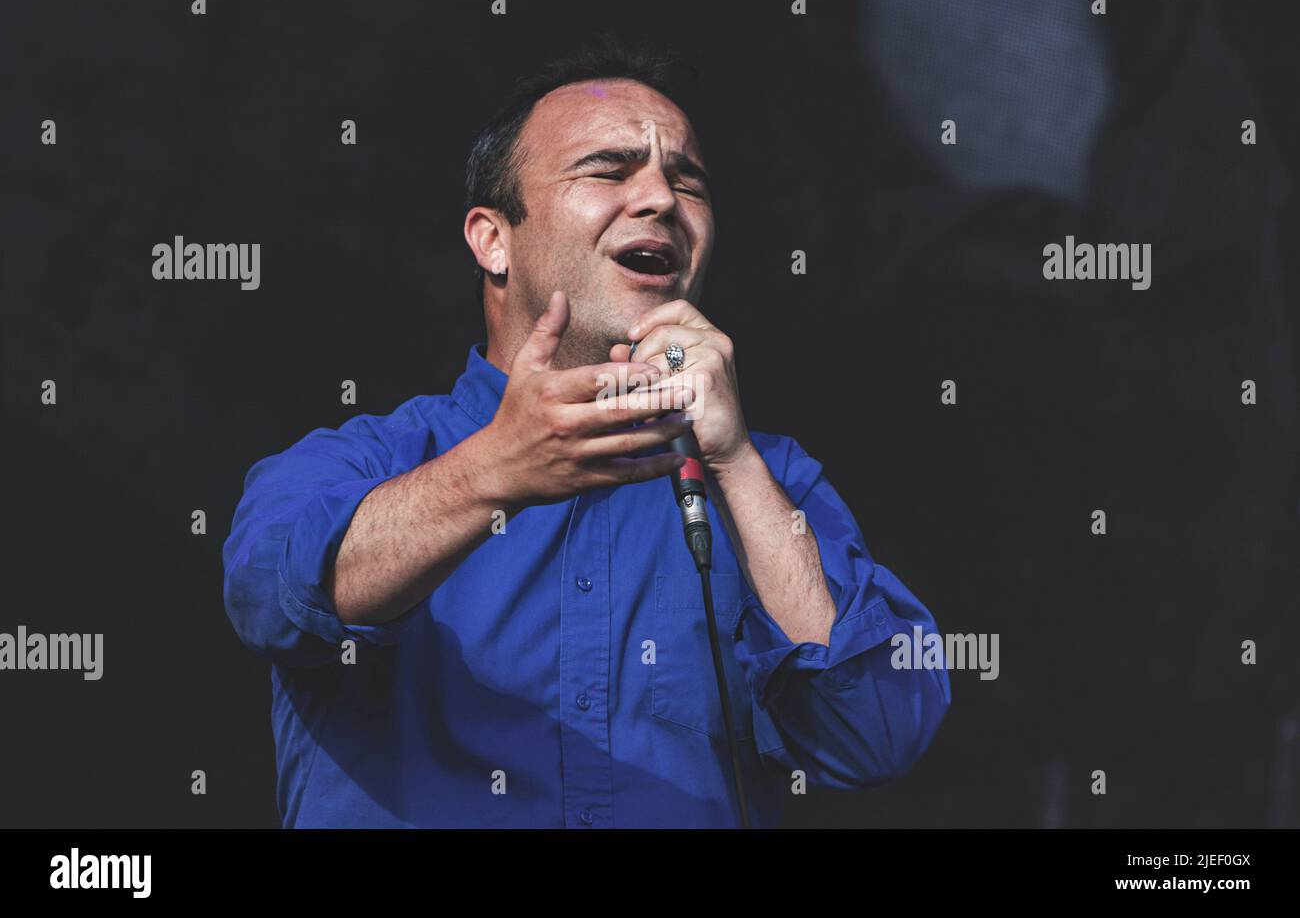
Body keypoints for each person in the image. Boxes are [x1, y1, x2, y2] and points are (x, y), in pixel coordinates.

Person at [222, 40, 950, 828]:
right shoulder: (362, 459)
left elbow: (879, 733)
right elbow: (272, 601)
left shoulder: (773, 480)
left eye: (688, 180)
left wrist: (733, 462)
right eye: (608, 169)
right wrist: (492, 473)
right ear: (491, 239)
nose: (661, 200)